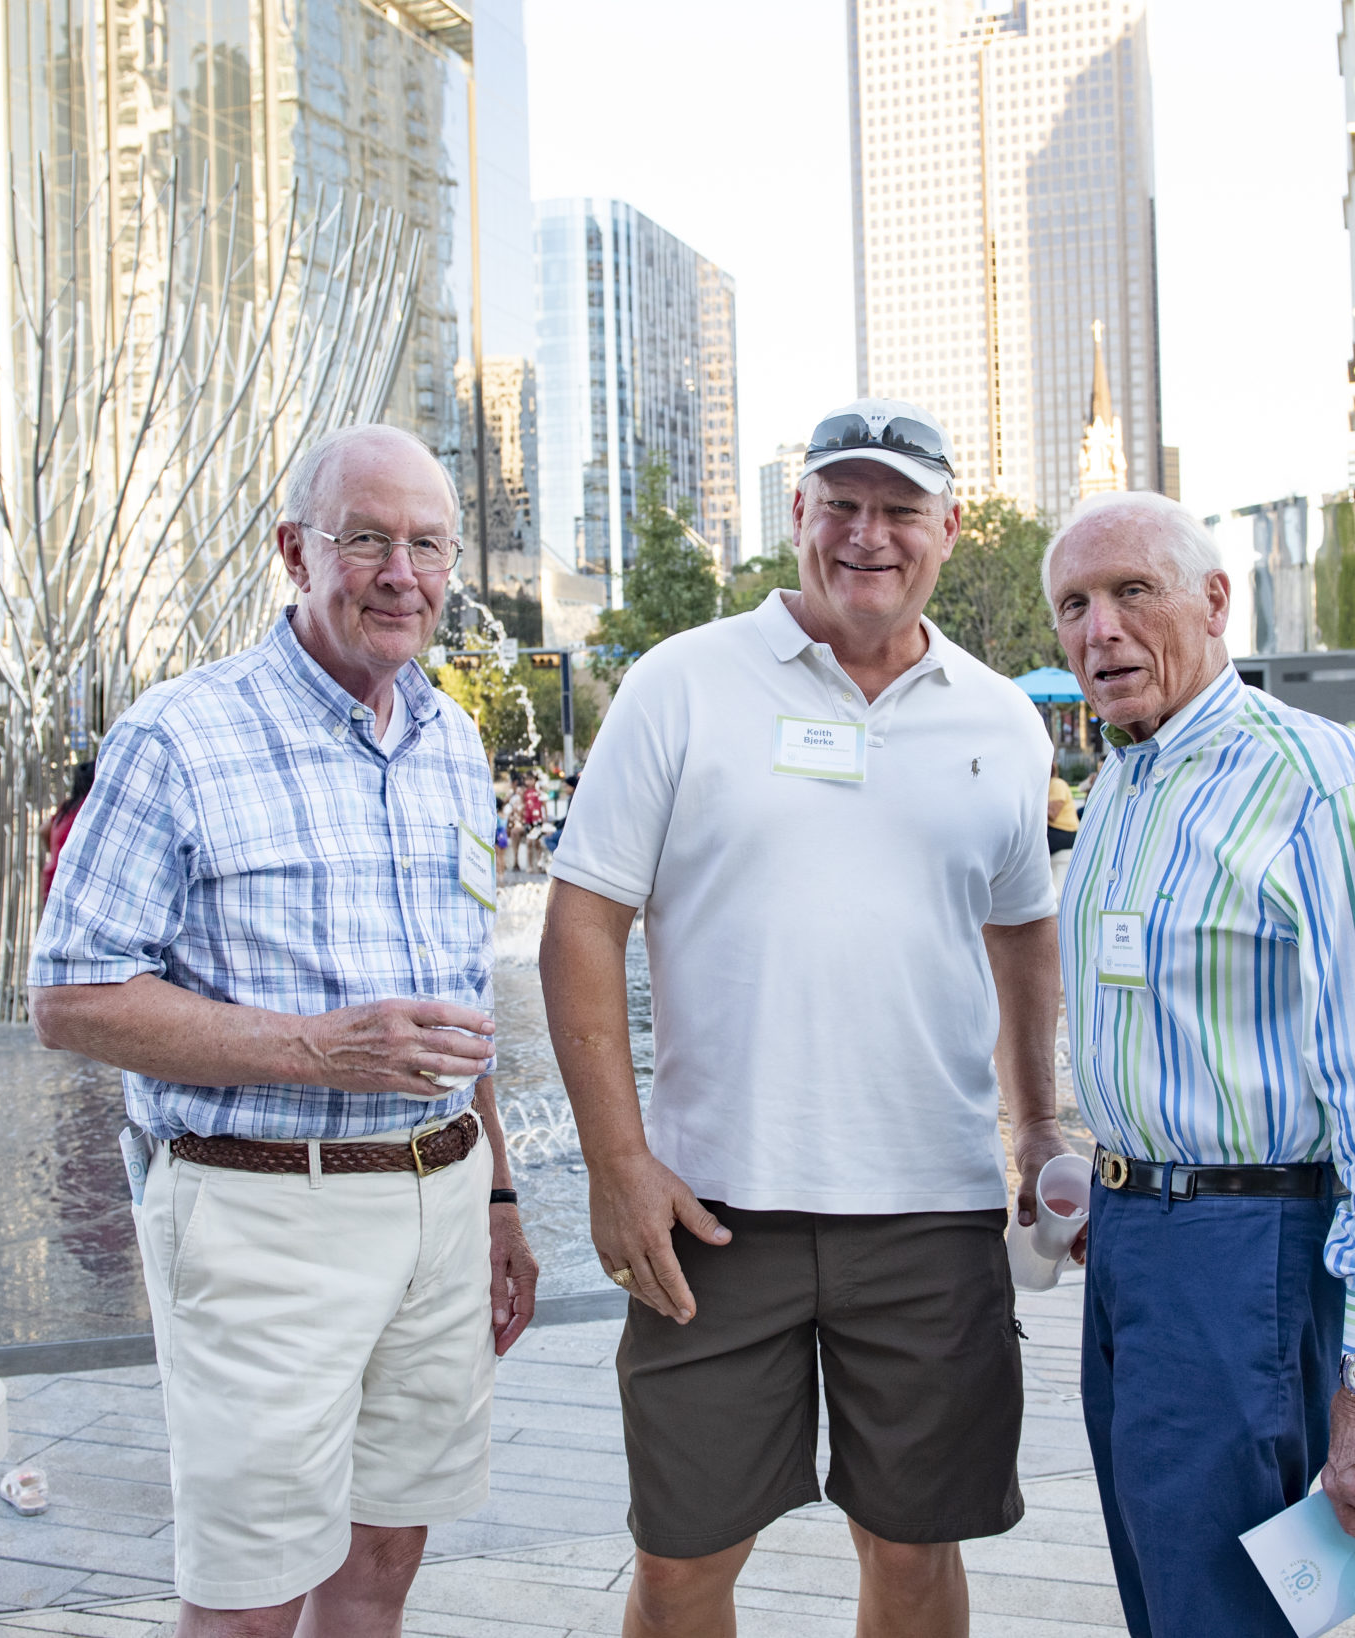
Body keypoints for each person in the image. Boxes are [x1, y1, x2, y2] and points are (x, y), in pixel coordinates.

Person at [540, 398, 1060, 1638]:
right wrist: (619, 1163)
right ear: (797, 517)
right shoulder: (681, 683)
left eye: (897, 510)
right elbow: (579, 925)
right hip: (713, 1214)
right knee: (682, 1556)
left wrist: (1035, 1126)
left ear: (946, 530)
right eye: (841, 504)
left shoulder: (1000, 715)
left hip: (930, 1213)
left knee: (914, 1550)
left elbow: (1023, 928)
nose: (866, 535)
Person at [28, 424, 539, 1638]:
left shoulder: (452, 746)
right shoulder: (179, 736)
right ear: (295, 552)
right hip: (263, 1214)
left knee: (380, 1569)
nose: (398, 573)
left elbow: (458, 999)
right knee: (251, 1599)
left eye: (426, 545)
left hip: (440, 1202)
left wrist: (502, 1200)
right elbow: (69, 996)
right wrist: (320, 1049)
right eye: (365, 539)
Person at [1044, 491, 1355, 1637]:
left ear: (1214, 600)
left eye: (1133, 591)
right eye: (1073, 605)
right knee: (1168, 1591)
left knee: (1219, 1614)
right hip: (1135, 1246)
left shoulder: (1311, 779)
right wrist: (1112, 1168)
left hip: (1248, 1254)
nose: (1099, 631)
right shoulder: (1122, 780)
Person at [39, 760, 96, 904]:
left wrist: (55, 855)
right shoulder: (90, 808)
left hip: (52, 877)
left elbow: (43, 830)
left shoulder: (67, 808)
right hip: (71, 882)